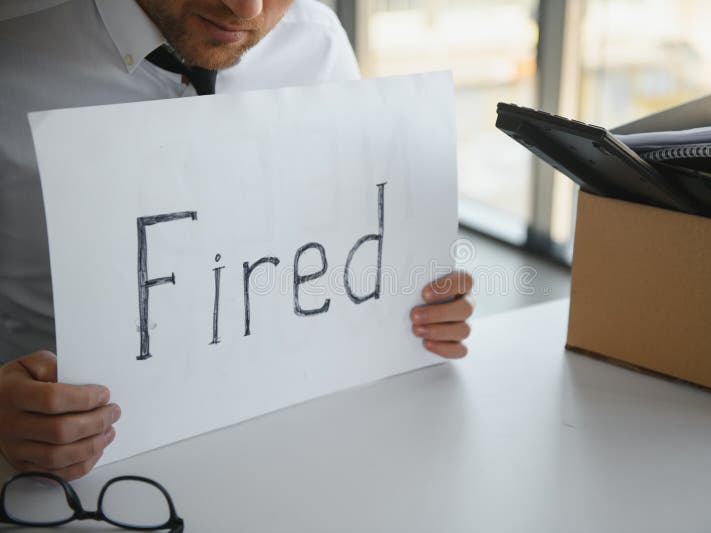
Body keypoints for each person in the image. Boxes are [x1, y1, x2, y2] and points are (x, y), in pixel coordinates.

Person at [0, 0, 474, 480]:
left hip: (304, 459)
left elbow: (337, 245)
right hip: (75, 480)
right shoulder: (12, 65)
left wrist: (410, 302)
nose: (246, 7)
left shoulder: (319, 44)